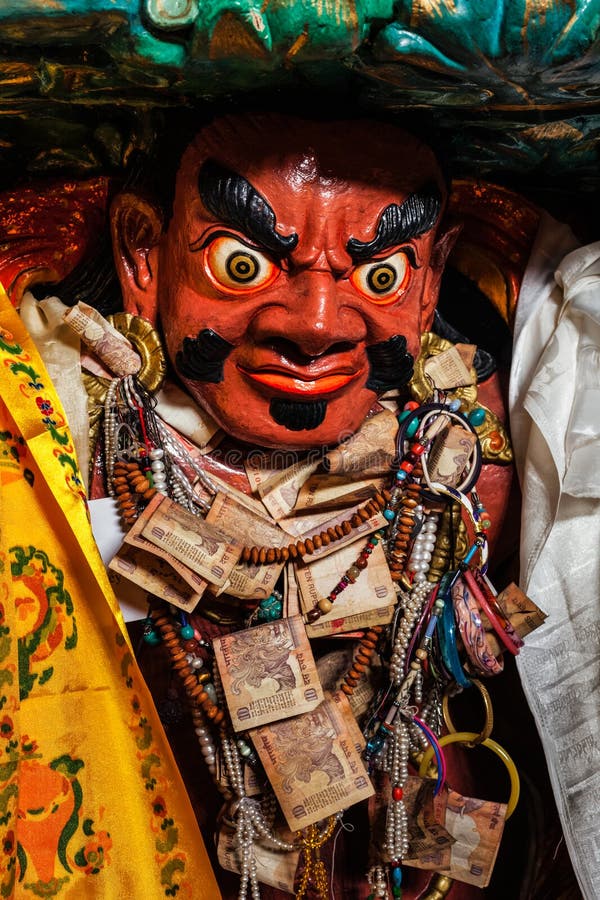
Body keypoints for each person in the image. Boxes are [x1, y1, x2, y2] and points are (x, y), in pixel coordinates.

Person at [0, 112, 574, 899]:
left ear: (434, 276)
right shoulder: (62, 425)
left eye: (381, 278)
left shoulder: (479, 436)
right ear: (143, 255)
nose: (313, 325)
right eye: (243, 264)